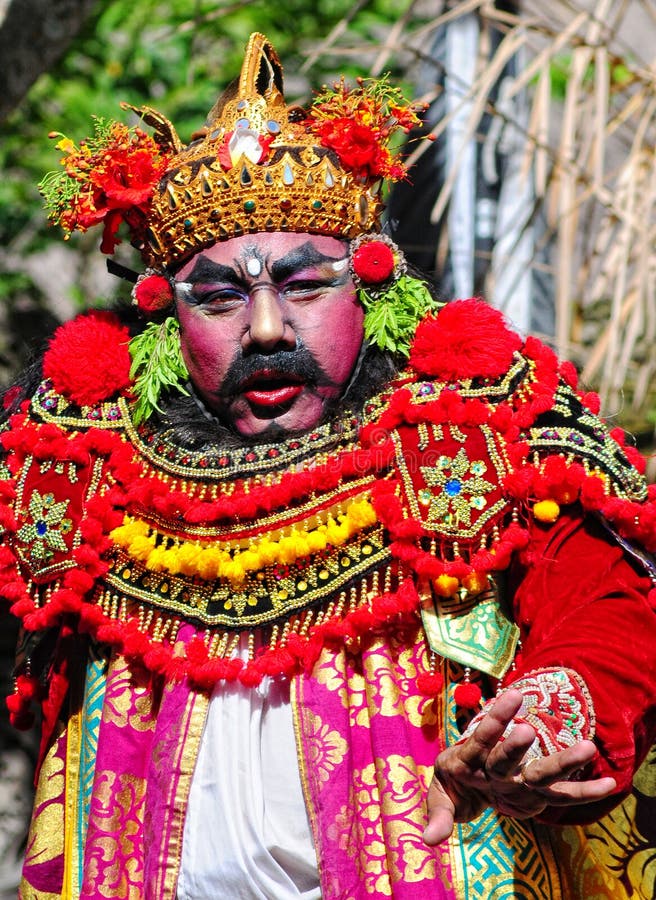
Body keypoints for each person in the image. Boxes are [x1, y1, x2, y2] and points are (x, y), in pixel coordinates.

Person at [1, 32, 655, 900]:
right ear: (164, 312)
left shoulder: (477, 418)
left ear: (369, 284)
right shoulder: (81, 452)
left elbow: (608, 603)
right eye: (222, 297)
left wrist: (554, 708)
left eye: (306, 287)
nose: (267, 330)